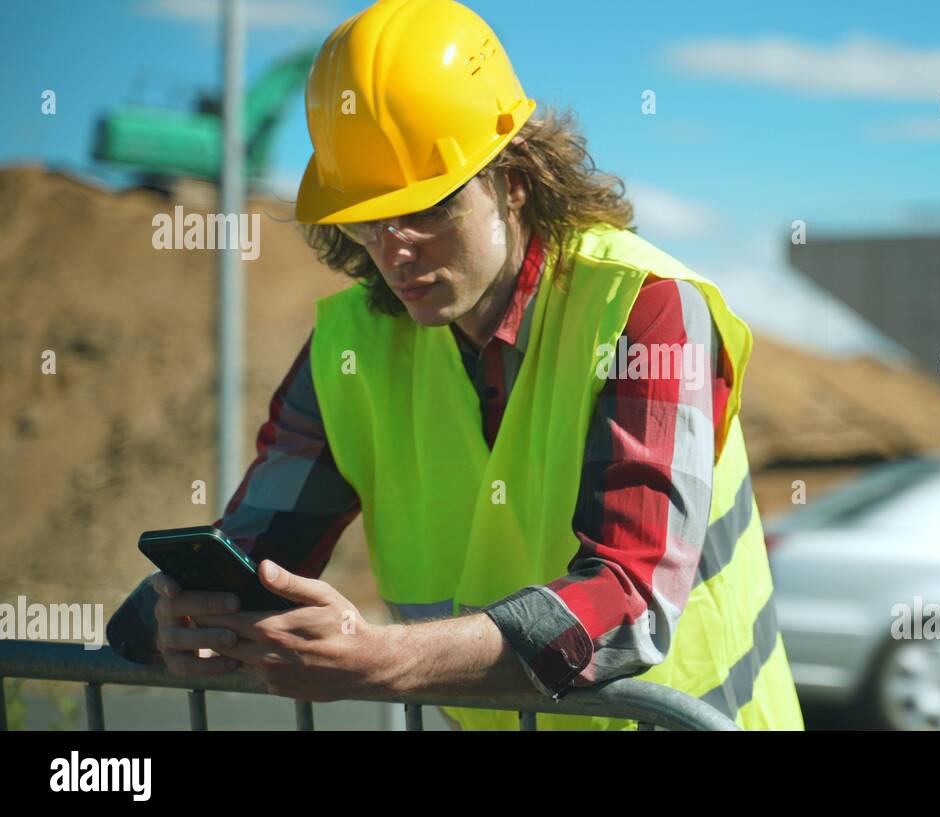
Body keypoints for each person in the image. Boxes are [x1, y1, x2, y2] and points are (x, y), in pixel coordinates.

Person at [108, 0, 803, 731]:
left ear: (515, 179)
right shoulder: (352, 349)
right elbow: (253, 554)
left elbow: (629, 597)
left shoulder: (645, 310)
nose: (394, 246)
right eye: (368, 214)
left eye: (429, 206)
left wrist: (382, 659)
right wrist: (172, 618)